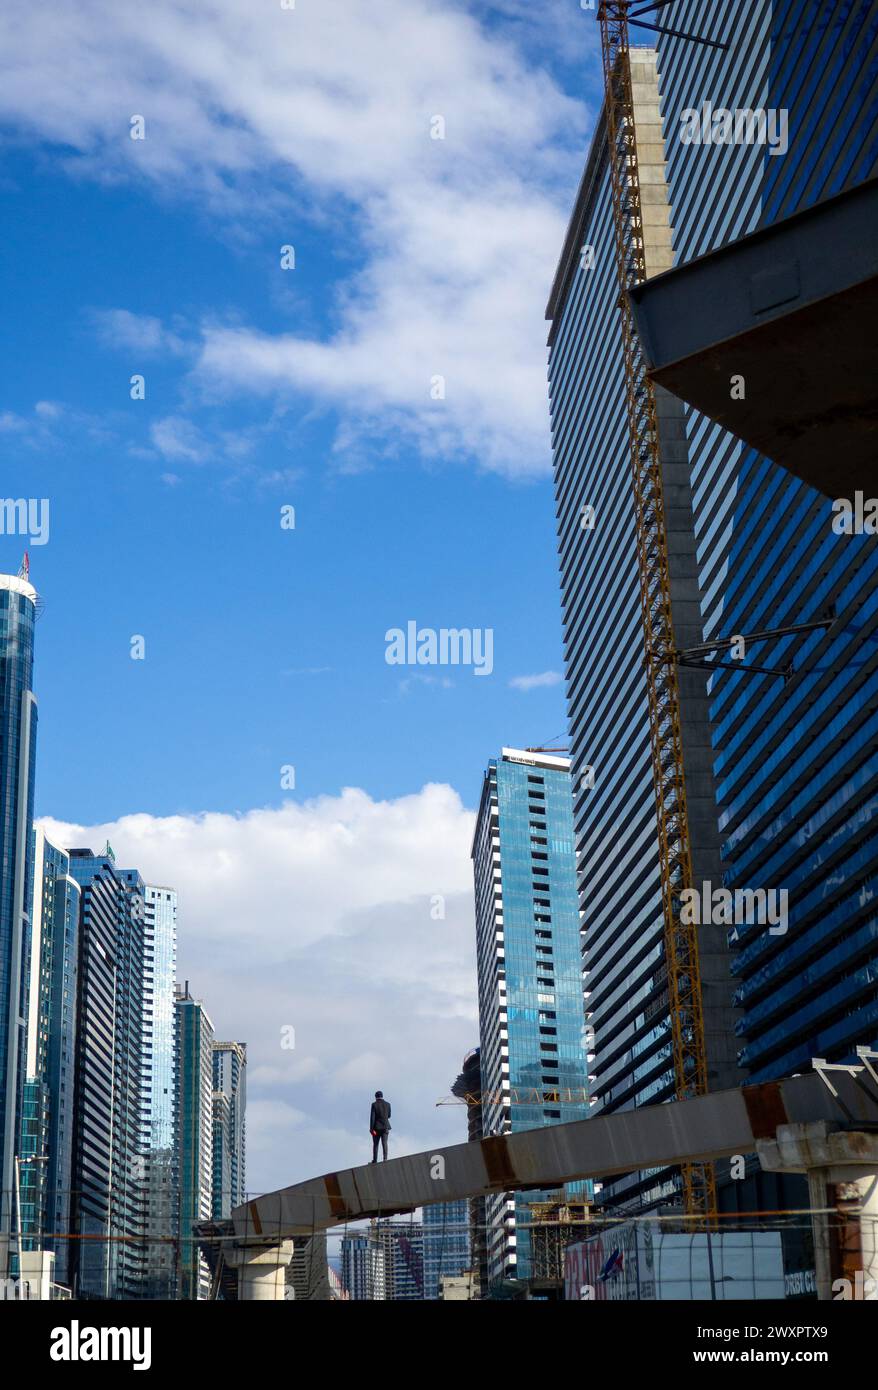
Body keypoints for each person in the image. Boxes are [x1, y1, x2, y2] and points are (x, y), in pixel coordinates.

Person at [369, 1090, 392, 1162]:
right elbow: (389, 1115)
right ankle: (385, 1158)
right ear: (382, 1096)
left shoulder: (374, 1104)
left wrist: (371, 1129)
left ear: (376, 1097)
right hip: (385, 1127)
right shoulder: (388, 1104)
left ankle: (375, 1160)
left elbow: (372, 1117)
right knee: (384, 1143)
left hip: (376, 1128)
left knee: (376, 1144)